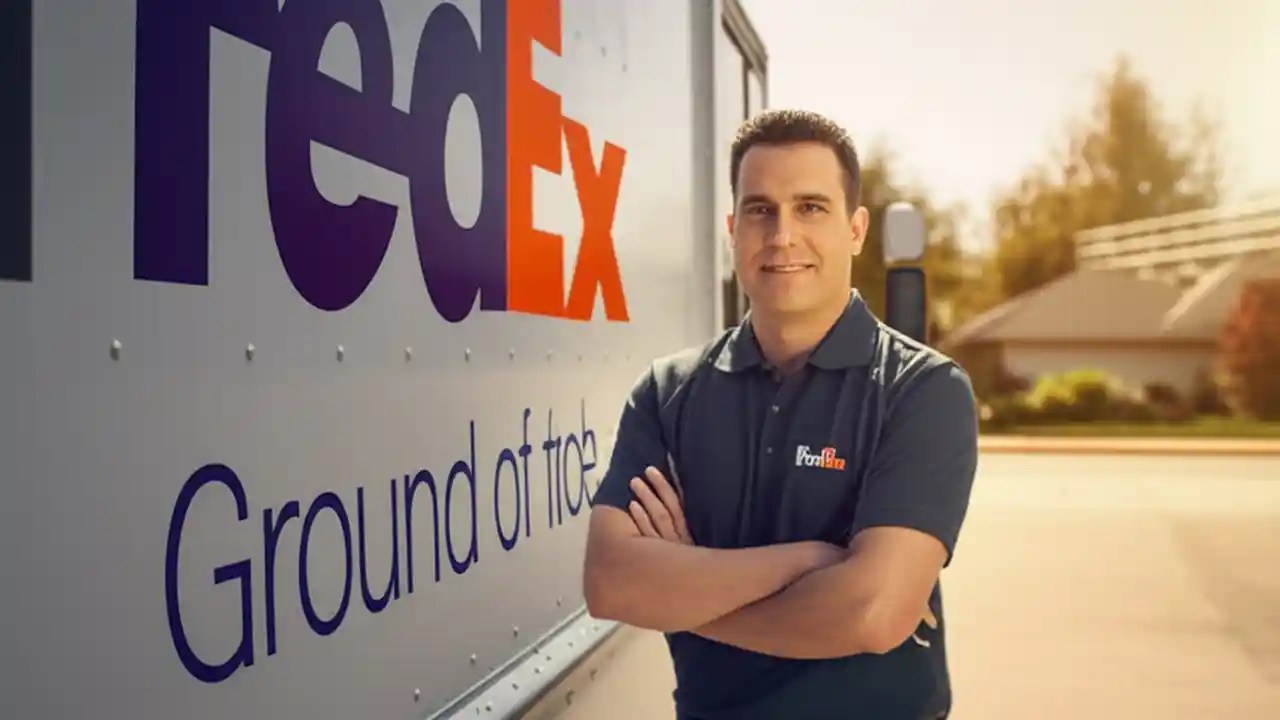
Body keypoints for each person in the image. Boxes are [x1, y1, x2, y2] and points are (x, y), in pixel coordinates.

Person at [582, 108, 978, 720]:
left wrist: (684, 595)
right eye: (760, 209)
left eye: (811, 208)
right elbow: (611, 583)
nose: (782, 235)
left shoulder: (923, 391)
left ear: (856, 229)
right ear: (732, 227)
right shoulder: (667, 393)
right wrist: (811, 560)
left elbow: (872, 615)